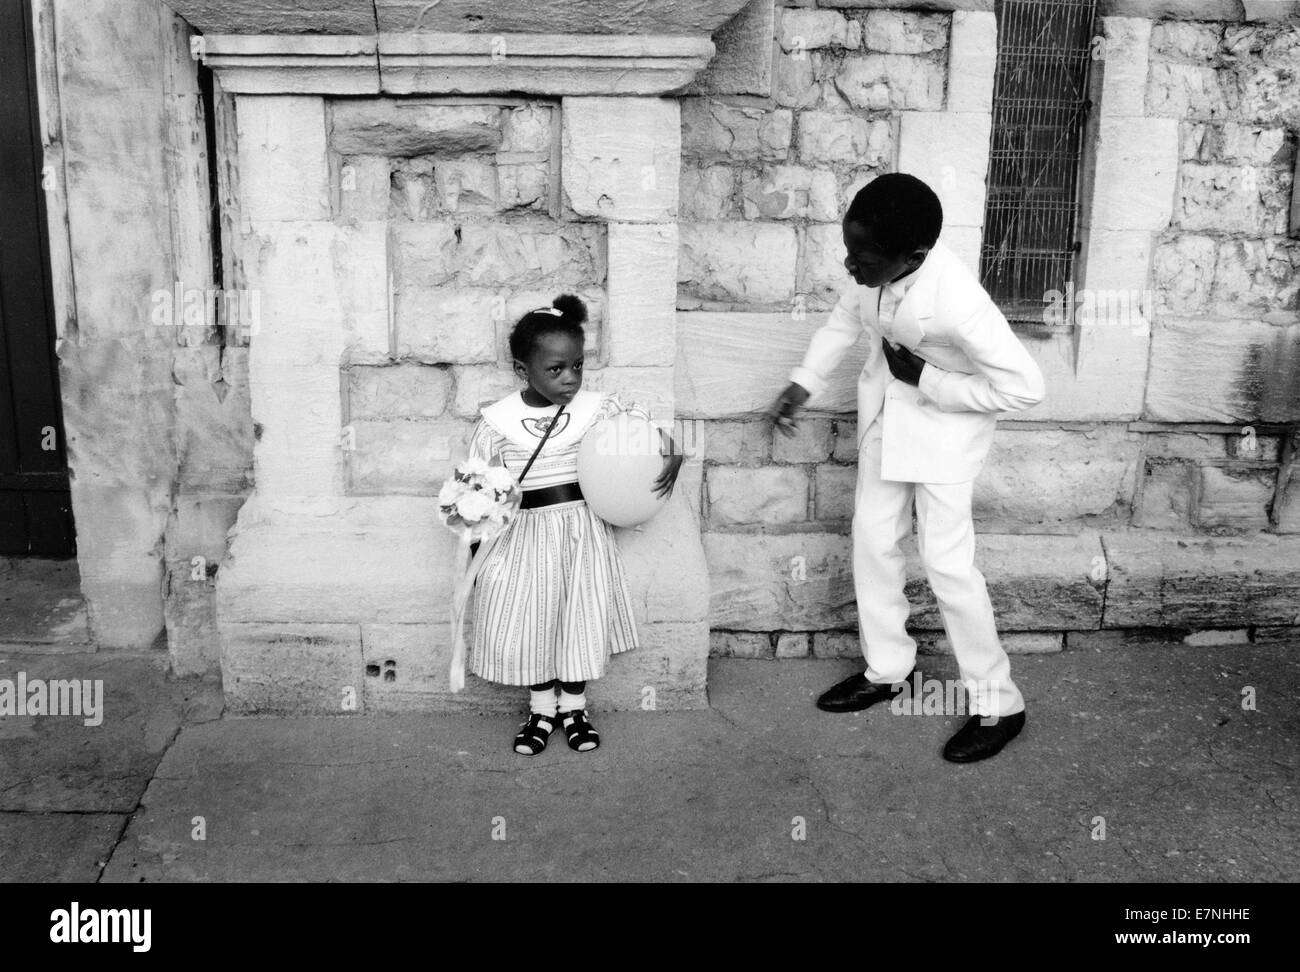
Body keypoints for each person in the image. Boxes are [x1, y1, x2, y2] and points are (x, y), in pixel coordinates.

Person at [769, 173, 1045, 763]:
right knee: (872, 542)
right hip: (885, 427)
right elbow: (844, 321)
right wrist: (804, 382)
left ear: (911, 257)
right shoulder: (872, 272)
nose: (850, 266)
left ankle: (1000, 702)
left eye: (862, 259)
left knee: (947, 566)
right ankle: (888, 667)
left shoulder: (958, 303)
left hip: (944, 440)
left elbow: (1026, 389)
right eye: (849, 252)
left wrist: (932, 381)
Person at [465, 294, 682, 756]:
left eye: (578, 366)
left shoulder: (597, 412)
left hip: (581, 536)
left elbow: (645, 431)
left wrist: (672, 451)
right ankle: (541, 708)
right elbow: (479, 492)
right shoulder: (497, 424)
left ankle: (575, 708)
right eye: (556, 369)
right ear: (524, 370)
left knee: (577, 618)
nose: (570, 379)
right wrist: (476, 557)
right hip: (523, 540)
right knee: (535, 622)